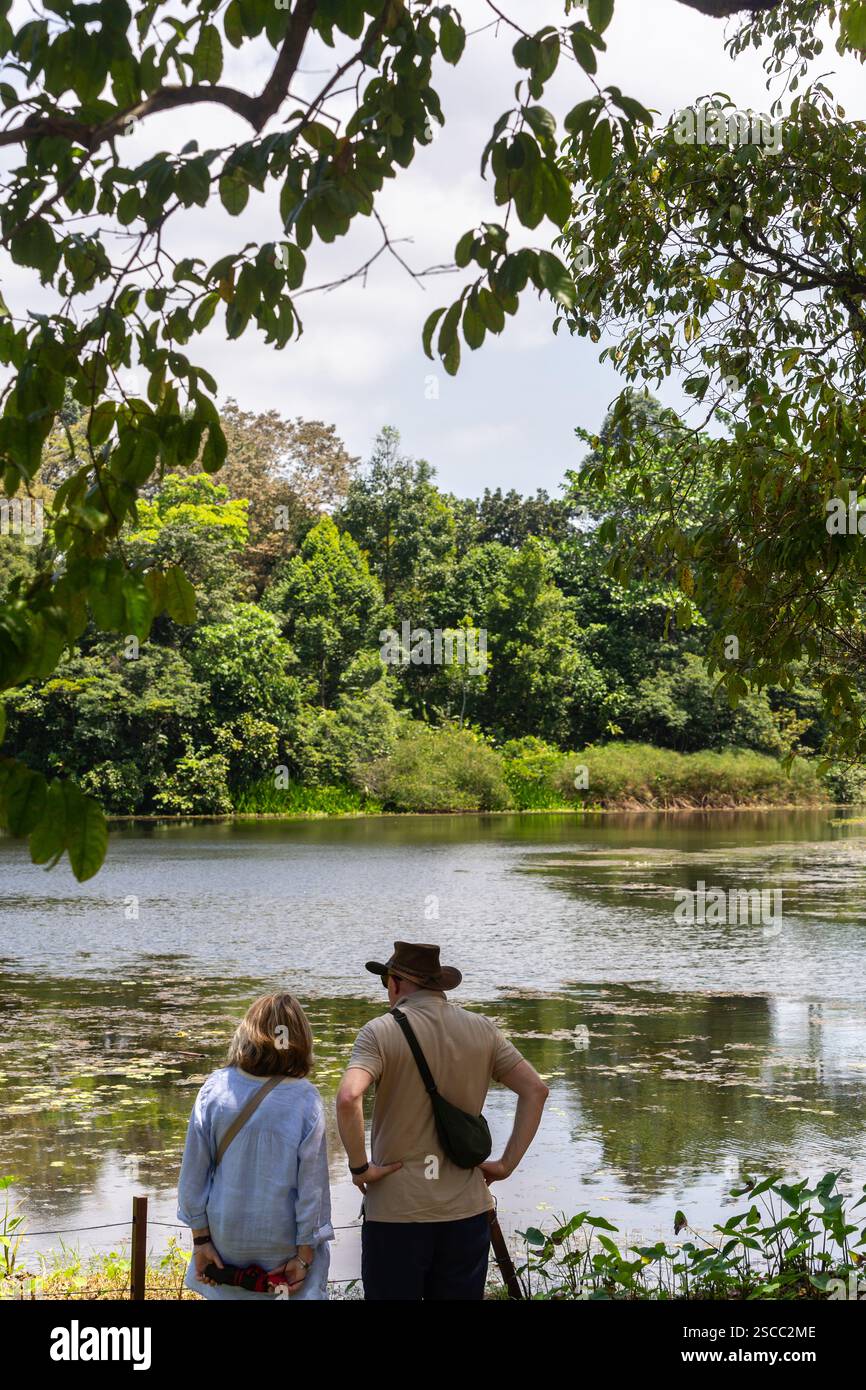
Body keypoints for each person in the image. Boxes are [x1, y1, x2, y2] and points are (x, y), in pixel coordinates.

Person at [336, 941, 549, 1301]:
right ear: (438, 986)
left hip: (396, 1216)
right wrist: (506, 1164)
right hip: (465, 1213)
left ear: (397, 983)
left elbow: (348, 1097)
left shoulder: (379, 1032)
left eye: (386, 980)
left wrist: (361, 1168)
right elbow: (536, 1091)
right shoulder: (483, 1030)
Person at [177, 991, 333, 1300]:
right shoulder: (305, 1100)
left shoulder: (215, 1088)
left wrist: (200, 1240)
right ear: (301, 1038)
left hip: (225, 1242)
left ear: (247, 1033)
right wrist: (303, 1257)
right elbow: (311, 1191)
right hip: (283, 1244)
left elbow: (192, 1176)